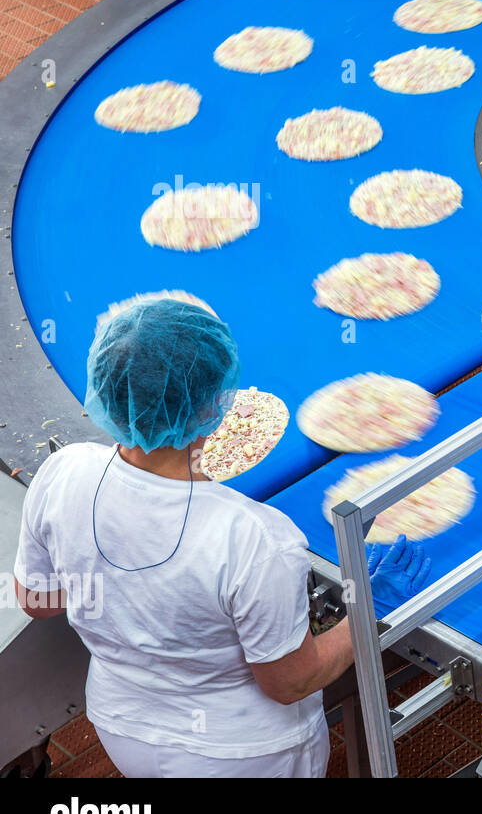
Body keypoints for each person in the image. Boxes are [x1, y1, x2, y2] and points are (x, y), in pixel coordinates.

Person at [12, 298, 416, 777]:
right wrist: (369, 607)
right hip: (241, 757)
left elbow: (38, 601)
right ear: (214, 407)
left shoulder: (63, 471)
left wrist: (116, 589)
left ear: (105, 387)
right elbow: (291, 681)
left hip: (123, 730)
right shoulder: (254, 538)